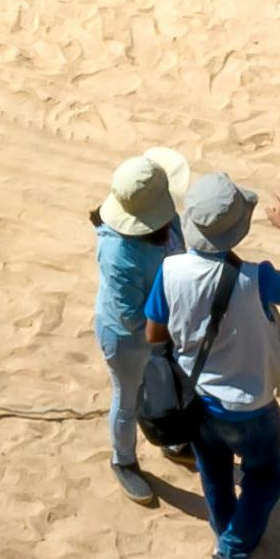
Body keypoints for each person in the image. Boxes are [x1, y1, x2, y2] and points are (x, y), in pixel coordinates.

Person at [147, 174, 280, 559]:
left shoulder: (170, 270)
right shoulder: (257, 277)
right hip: (250, 404)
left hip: (197, 400)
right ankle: (232, 553)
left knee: (214, 472)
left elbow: (153, 334)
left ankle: (227, 534)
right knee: (269, 475)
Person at [91, 147, 192, 506]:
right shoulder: (119, 254)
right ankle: (124, 461)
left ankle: (171, 440)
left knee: (166, 384)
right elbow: (130, 317)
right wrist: (171, 323)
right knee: (128, 397)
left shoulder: (169, 222)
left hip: (163, 328)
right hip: (129, 339)